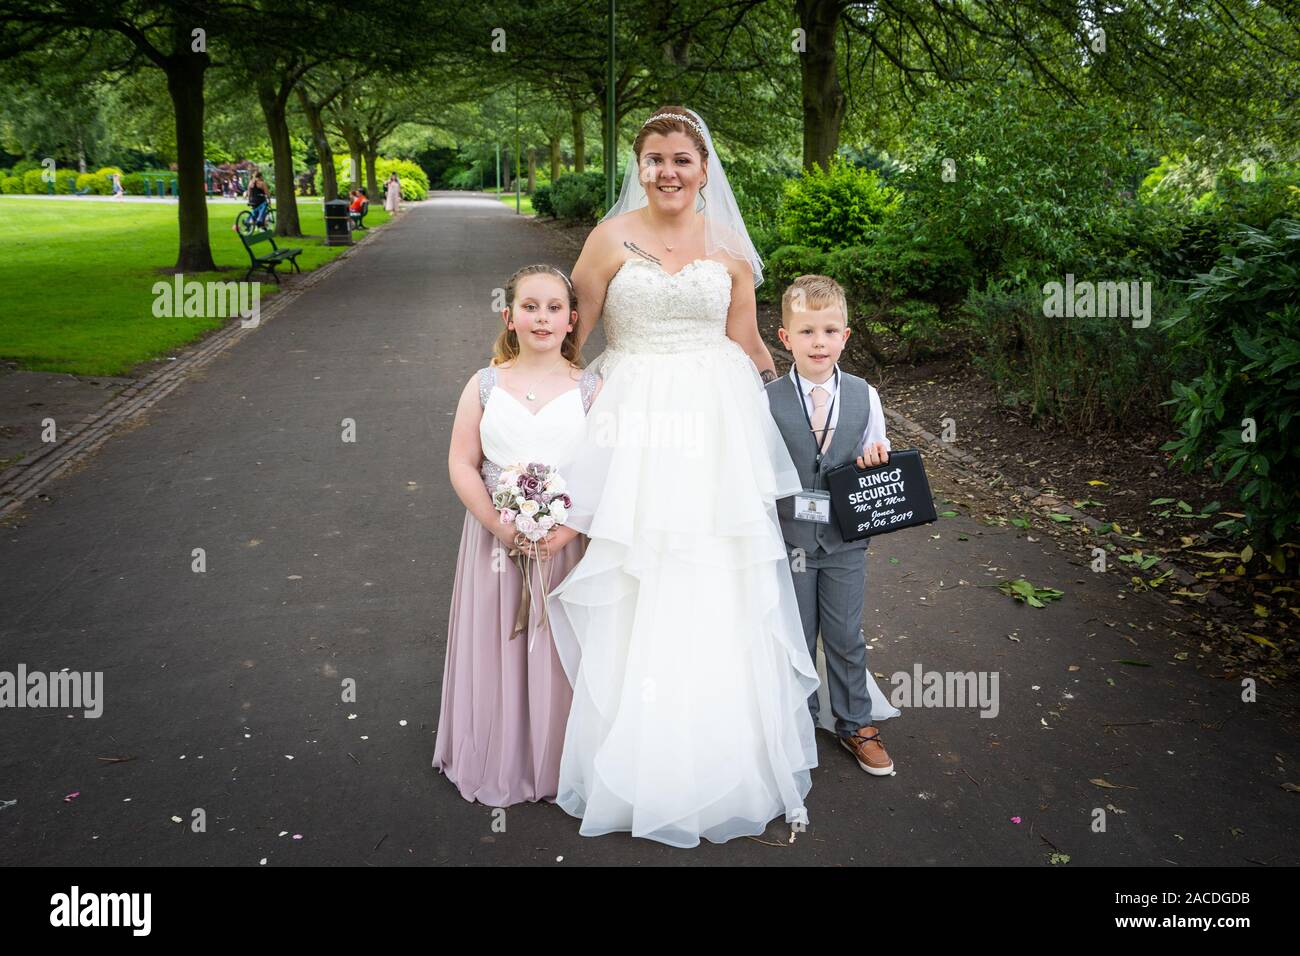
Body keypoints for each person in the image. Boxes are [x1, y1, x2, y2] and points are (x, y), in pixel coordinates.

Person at [545, 106, 820, 847]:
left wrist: (801, 410)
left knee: (717, 570)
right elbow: (574, 334)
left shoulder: (730, 245)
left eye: (682, 160)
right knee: (640, 570)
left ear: (705, 170)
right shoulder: (606, 240)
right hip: (631, 420)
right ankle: (636, 754)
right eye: (654, 158)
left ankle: (722, 750)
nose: (668, 171)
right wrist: (530, 405)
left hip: (716, 428)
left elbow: (748, 338)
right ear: (638, 165)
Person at [433, 265, 602, 806]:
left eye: (555, 308)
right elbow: (462, 462)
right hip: (494, 545)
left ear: (572, 320)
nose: (542, 318)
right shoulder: (483, 384)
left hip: (567, 547)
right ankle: (498, 752)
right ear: (509, 316)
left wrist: (566, 529)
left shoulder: (592, 390)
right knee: (499, 641)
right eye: (530, 307)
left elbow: (609, 470)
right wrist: (498, 523)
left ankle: (558, 761)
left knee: (561, 647)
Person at [766, 274, 901, 776]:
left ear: (845, 335)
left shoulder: (866, 395)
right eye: (806, 332)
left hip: (846, 538)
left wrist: (876, 458)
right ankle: (796, 723)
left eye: (829, 331)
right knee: (795, 635)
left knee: (846, 634)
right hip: (790, 540)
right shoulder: (768, 400)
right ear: (785, 338)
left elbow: (878, 450)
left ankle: (855, 724)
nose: (818, 342)